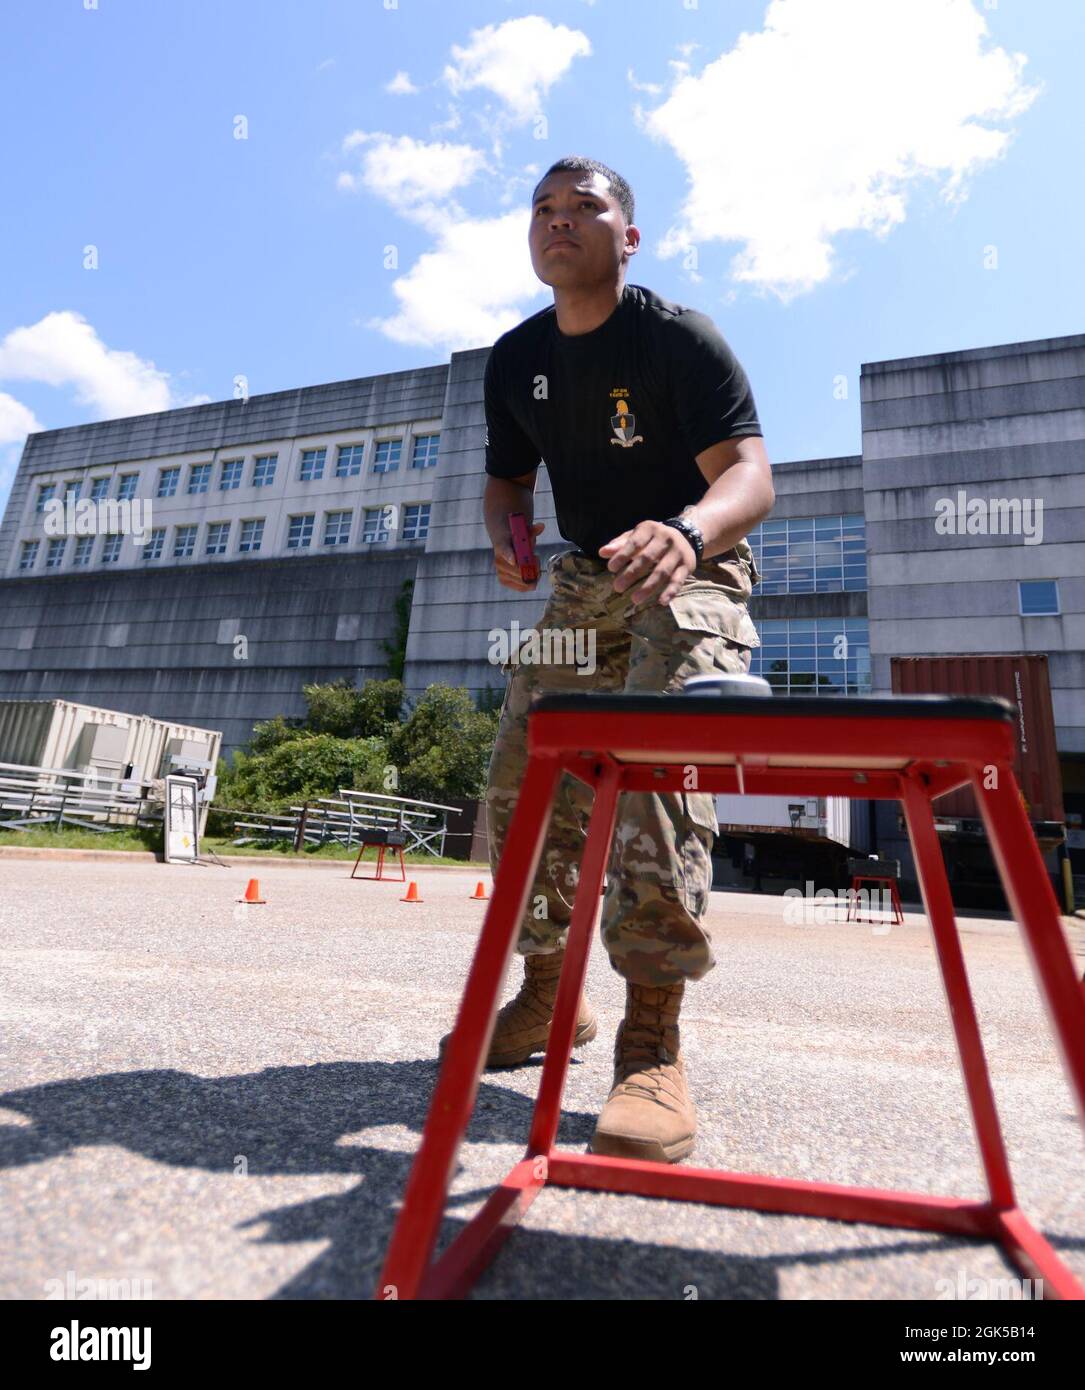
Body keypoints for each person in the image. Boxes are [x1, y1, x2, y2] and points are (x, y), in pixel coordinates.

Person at [441, 155, 775, 1164]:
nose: (557, 221)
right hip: (585, 582)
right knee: (522, 781)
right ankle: (547, 993)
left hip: (689, 565)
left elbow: (749, 477)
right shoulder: (515, 359)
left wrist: (684, 528)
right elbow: (507, 483)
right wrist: (508, 532)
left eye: (583, 206)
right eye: (541, 208)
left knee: (656, 763)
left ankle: (651, 1037)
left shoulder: (676, 340)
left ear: (626, 237)